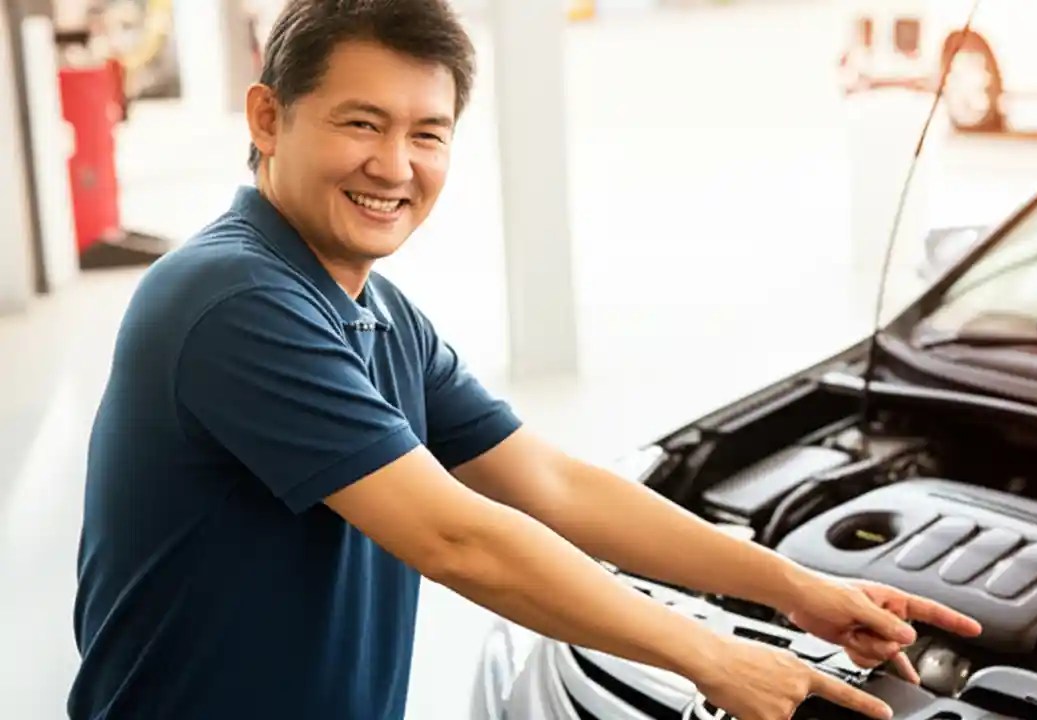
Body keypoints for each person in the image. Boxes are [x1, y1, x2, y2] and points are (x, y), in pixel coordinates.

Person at [69, 1, 981, 719]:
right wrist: (711, 657)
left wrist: (794, 590)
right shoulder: (233, 298)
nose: (395, 165)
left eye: (428, 133)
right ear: (268, 118)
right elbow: (456, 539)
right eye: (362, 123)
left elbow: (550, 483)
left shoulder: (377, 313)